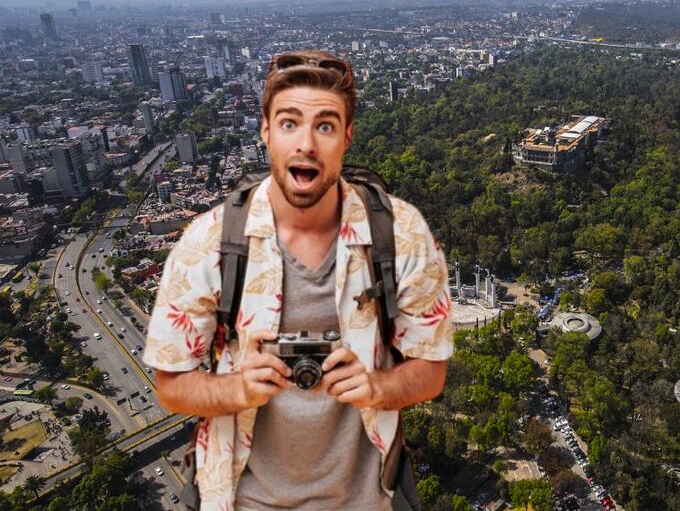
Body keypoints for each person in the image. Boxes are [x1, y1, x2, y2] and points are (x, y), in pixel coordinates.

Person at [143, 50, 453, 510]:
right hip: (244, 498)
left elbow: (431, 373)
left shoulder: (401, 235)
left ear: (346, 138)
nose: (306, 143)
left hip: (367, 498)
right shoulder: (209, 245)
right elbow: (169, 385)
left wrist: (376, 387)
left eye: (325, 126)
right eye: (289, 123)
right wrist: (237, 389)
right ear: (266, 131)